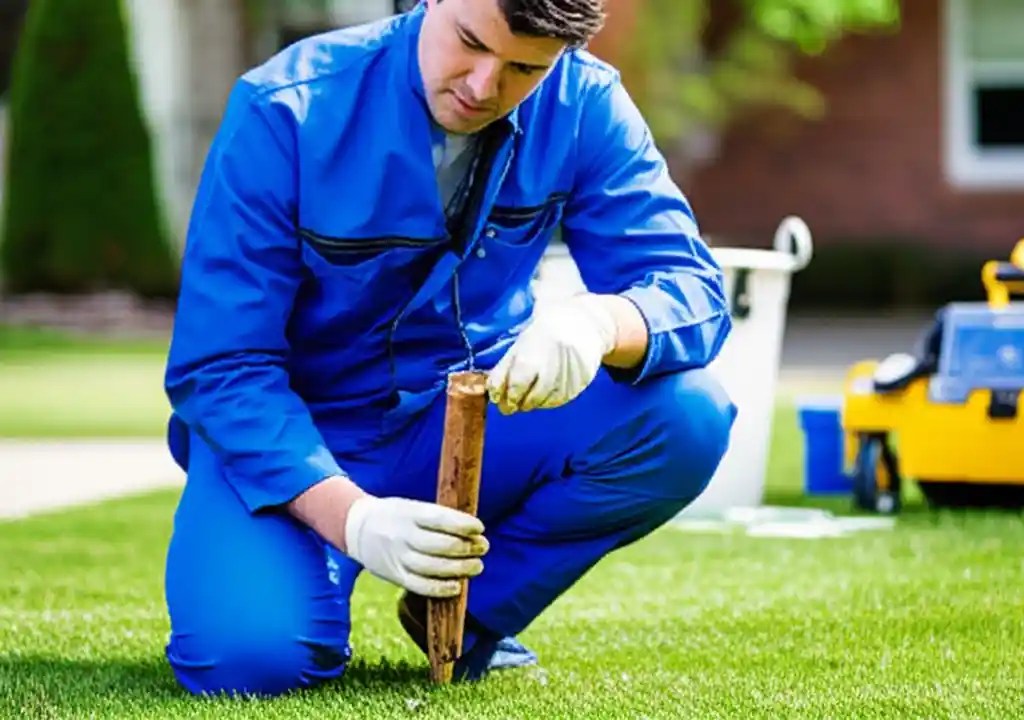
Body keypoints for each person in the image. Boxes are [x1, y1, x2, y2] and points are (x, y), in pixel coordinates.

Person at [161, 0, 737, 699]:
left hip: (468, 418)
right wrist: (356, 519)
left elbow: (693, 289)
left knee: (689, 415)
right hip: (292, 433)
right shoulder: (284, 107)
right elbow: (220, 366)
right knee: (249, 665)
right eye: (469, 42)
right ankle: (302, 564)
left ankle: (467, 613)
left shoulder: (585, 101)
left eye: (525, 67)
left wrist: (599, 323)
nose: (483, 85)